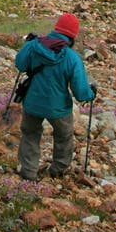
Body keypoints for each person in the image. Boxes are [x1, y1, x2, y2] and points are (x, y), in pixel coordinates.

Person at [15, 12, 97, 181]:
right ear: (72, 36)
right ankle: (58, 168)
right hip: (58, 107)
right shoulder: (72, 57)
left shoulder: (34, 45)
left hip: (32, 102)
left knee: (30, 134)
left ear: (56, 28)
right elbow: (81, 93)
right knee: (64, 135)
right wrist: (91, 93)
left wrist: (28, 45)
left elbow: (20, 64)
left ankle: (28, 171)